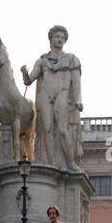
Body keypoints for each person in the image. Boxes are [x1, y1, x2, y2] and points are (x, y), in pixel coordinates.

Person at [21, 25, 83, 171]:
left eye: (62, 37)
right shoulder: (42, 60)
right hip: (45, 94)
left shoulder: (72, 59)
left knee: (62, 128)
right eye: (57, 37)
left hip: (62, 93)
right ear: (51, 39)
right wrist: (24, 72)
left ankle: (71, 163)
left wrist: (78, 99)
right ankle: (52, 165)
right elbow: (29, 80)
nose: (60, 40)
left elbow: (76, 82)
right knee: (46, 129)